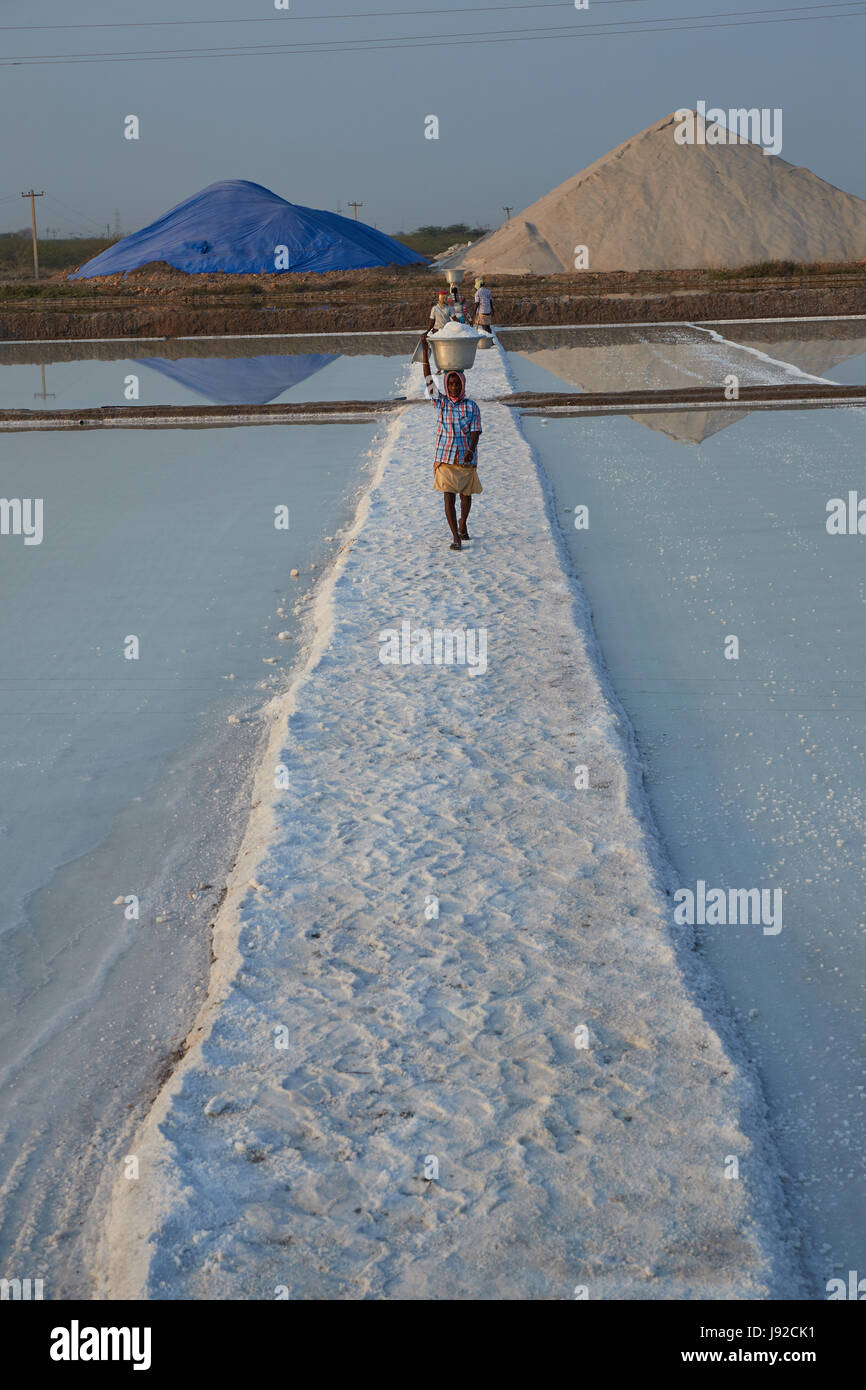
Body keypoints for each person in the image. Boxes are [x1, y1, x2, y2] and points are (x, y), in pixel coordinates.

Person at [420, 330, 482, 552]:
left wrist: (470, 450)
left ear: (462, 385)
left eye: (457, 384)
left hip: (465, 457)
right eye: (451, 384)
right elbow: (428, 380)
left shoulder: (471, 407)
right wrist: (425, 352)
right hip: (444, 457)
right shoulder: (441, 402)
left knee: (466, 496)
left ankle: (463, 524)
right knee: (449, 497)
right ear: (446, 385)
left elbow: (476, 431)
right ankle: (456, 537)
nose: (454, 387)